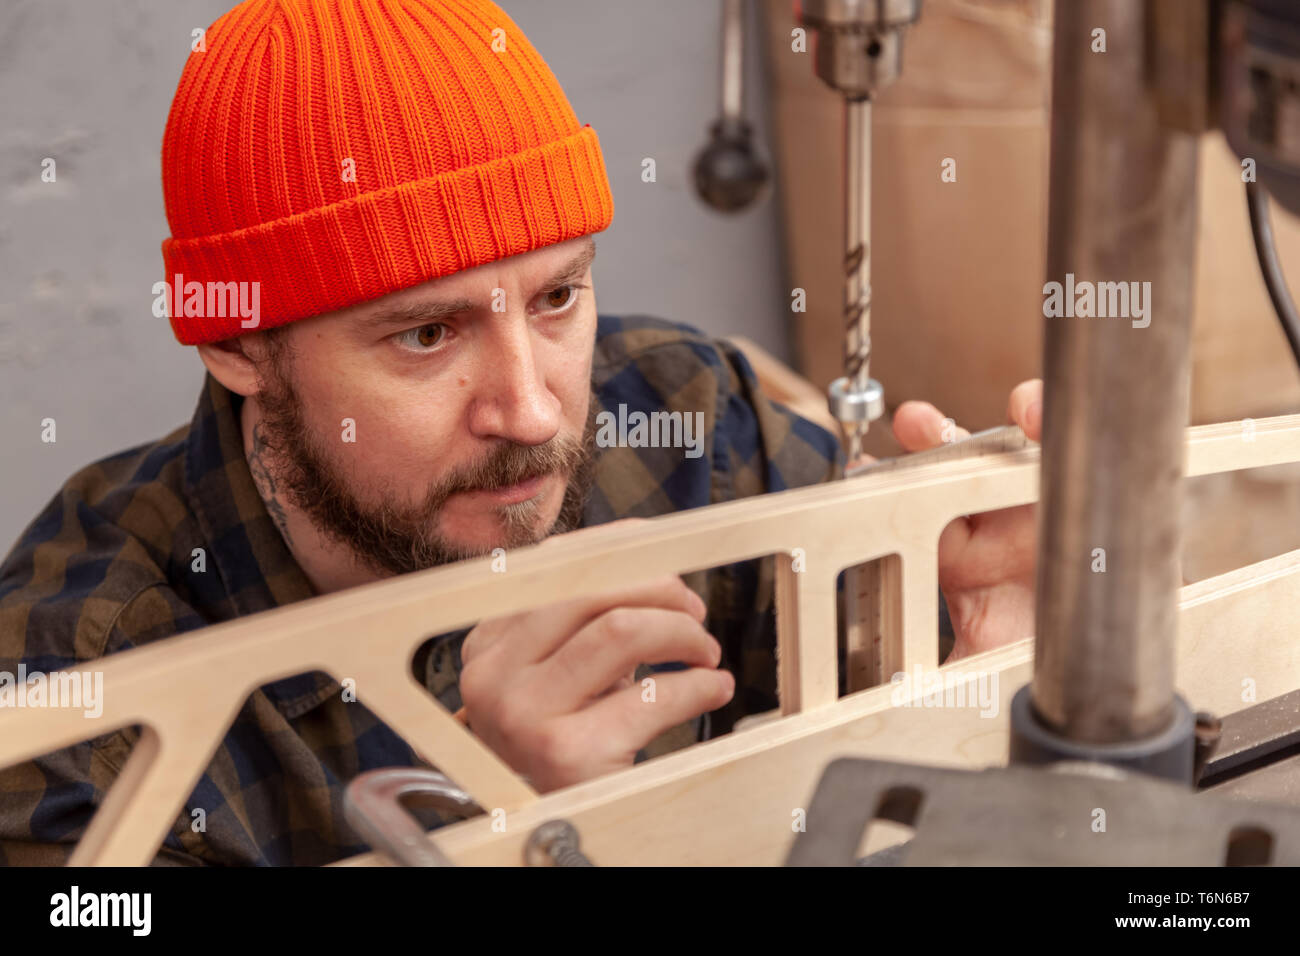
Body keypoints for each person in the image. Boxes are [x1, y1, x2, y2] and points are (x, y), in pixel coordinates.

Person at [0, 0, 1041, 865]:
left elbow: (895, 744)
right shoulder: (69, 700)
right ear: (236, 344)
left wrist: (984, 659)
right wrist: (482, 827)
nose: (535, 412)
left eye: (556, 298)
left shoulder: (686, 421)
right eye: (423, 332)